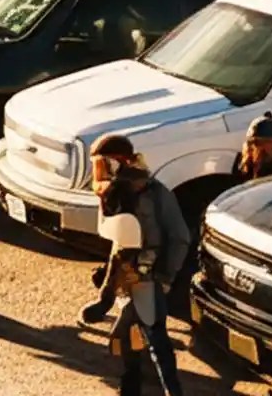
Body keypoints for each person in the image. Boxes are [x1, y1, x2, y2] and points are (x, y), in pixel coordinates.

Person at [87, 134, 189, 396]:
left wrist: (164, 279)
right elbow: (120, 240)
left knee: (156, 340)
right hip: (126, 278)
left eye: (102, 163)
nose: (98, 171)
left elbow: (179, 238)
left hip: (147, 278)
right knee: (128, 337)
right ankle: (130, 389)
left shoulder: (155, 193)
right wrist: (110, 284)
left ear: (116, 162)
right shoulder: (116, 193)